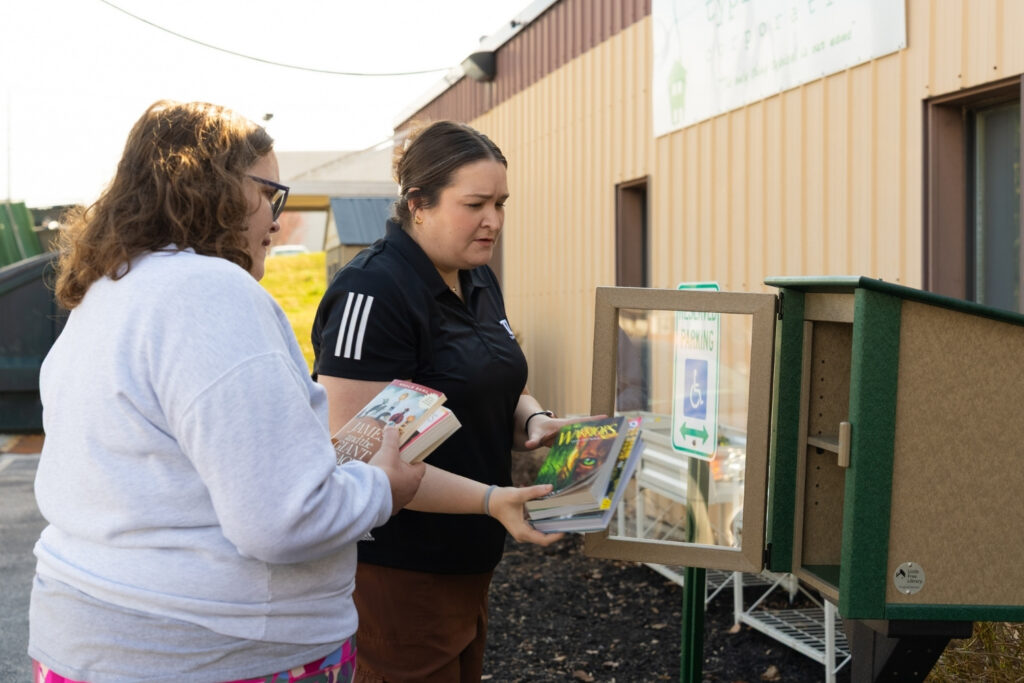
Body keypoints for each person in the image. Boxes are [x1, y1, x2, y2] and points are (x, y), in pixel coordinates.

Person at [28, 100, 426, 683]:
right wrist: (382, 488)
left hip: (89, 634)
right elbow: (282, 521)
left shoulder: (108, 293)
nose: (275, 219)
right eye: (270, 193)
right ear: (213, 187)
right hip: (217, 650)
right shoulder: (211, 292)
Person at [311, 120, 586, 682]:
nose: (495, 220)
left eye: (502, 203)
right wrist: (492, 500)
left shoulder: (476, 277)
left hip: (470, 560)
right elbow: (352, 450)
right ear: (418, 204)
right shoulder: (373, 291)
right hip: (397, 568)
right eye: (476, 204)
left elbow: (492, 379)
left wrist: (532, 418)